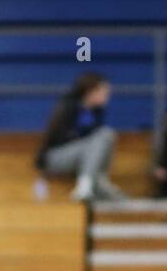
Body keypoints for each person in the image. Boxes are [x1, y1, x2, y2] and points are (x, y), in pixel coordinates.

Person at [35, 72, 122, 202]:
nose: (107, 97)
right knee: (100, 137)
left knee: (106, 135)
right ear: (91, 91)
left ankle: (95, 180)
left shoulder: (97, 112)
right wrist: (81, 140)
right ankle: (87, 184)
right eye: (104, 92)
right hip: (56, 156)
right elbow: (57, 138)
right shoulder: (68, 107)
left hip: (82, 155)